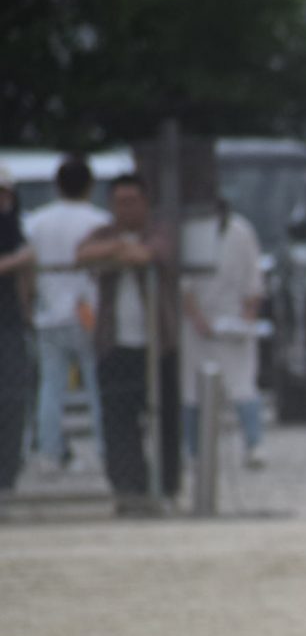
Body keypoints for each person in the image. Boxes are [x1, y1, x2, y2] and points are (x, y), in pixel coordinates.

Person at [78, 174, 182, 513]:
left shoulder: (160, 231)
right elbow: (82, 253)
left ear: (145, 202)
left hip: (158, 343)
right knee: (118, 420)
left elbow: (154, 254)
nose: (125, 209)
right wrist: (119, 247)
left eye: (131, 201)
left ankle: (165, 487)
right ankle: (129, 487)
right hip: (115, 343)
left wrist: (124, 253)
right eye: (119, 202)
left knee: (165, 419)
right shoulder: (104, 234)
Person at [22, 154, 108, 473]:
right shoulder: (97, 220)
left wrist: (29, 305)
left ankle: (49, 451)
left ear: (57, 185)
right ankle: (104, 447)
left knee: (51, 386)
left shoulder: (36, 222)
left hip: (48, 312)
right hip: (88, 312)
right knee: (96, 385)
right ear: (90, 185)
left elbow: (28, 269)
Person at [181, 201, 267, 469]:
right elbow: (184, 285)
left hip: (233, 320)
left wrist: (246, 318)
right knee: (192, 390)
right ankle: (195, 451)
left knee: (243, 385)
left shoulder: (241, 232)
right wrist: (198, 320)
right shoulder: (190, 232)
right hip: (197, 326)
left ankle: (254, 445)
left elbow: (253, 280)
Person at [0, 167, 34, 494]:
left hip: (10, 326)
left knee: (11, 401)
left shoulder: (15, 228)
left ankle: (6, 473)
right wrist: (15, 262)